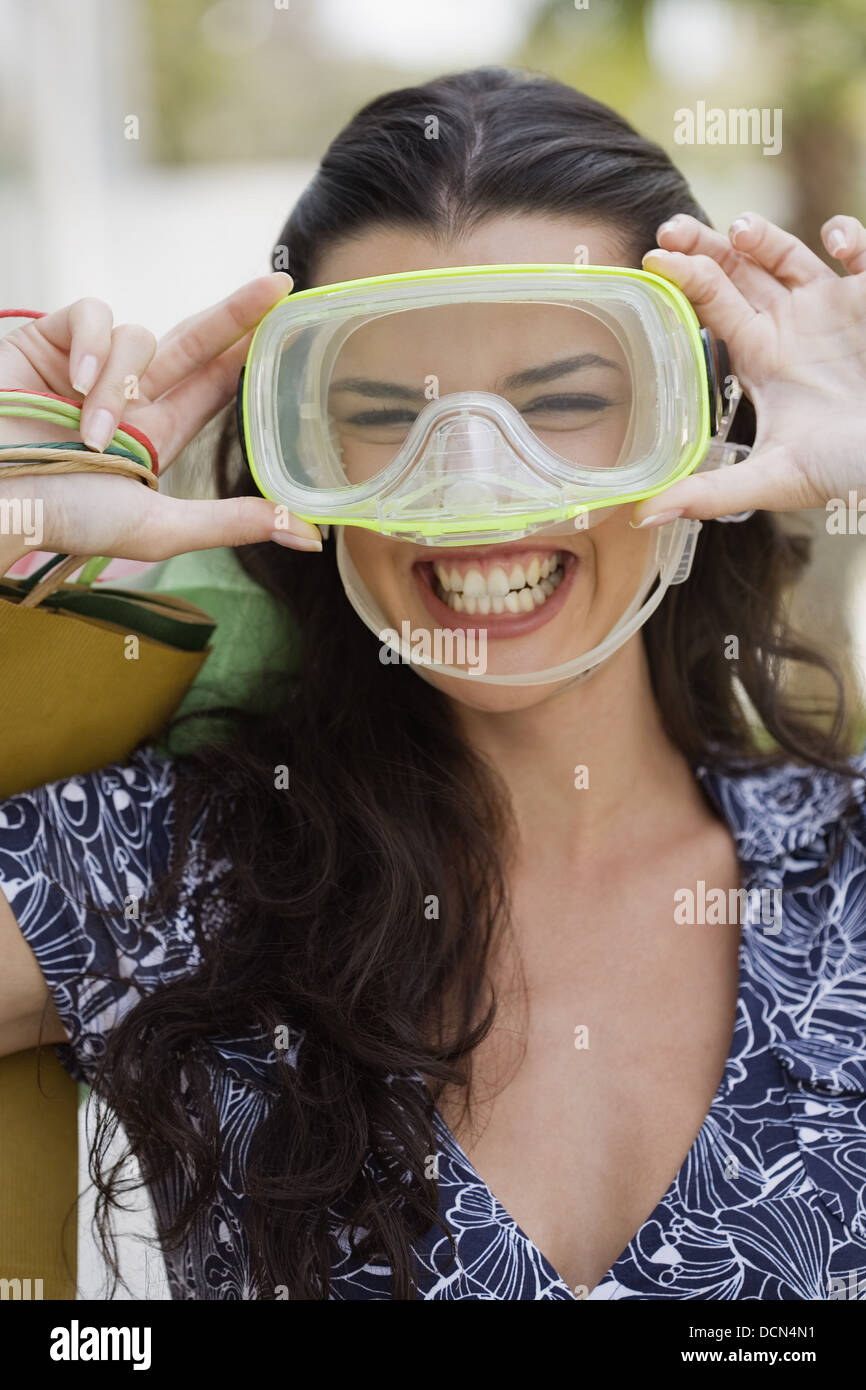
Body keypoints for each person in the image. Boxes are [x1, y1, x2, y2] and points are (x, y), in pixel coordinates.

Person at [1, 67, 865, 1302]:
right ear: (295, 456)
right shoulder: (172, 873)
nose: (473, 489)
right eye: (382, 413)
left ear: (700, 415)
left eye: (564, 401)